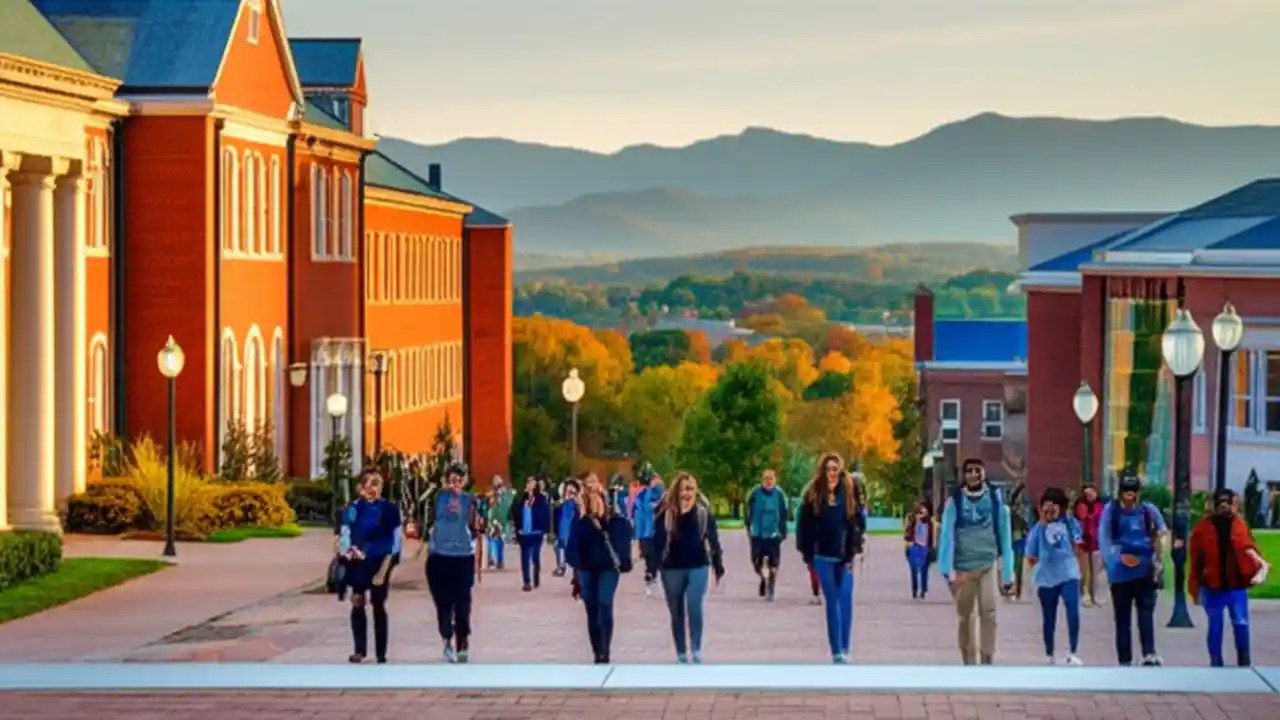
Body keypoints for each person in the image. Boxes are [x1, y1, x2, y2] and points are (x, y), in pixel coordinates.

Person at [937, 458, 1015, 665]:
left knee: (988, 610)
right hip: (963, 569)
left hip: (987, 564)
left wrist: (1007, 573)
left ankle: (987, 656)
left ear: (984, 472)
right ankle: (968, 658)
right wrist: (947, 569)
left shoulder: (996, 502)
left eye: (977, 470)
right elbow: (946, 534)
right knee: (965, 615)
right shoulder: (955, 501)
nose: (973, 474)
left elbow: (1005, 539)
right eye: (968, 471)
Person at [796, 453, 866, 664]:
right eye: (828, 469)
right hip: (822, 555)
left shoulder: (849, 492)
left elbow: (857, 523)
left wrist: (854, 547)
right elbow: (804, 526)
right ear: (822, 471)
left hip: (845, 556)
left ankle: (845, 647)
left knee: (846, 598)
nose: (832, 473)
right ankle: (836, 650)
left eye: (835, 469)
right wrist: (807, 553)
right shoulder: (813, 493)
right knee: (832, 600)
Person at [1189, 488, 1271, 667]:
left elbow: (1247, 546)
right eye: (1221, 503)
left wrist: (1258, 566)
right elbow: (1195, 559)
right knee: (1215, 627)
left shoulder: (1238, 525)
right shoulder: (1203, 529)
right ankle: (1216, 663)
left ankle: (1244, 661)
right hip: (1212, 585)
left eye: (1227, 503)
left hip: (1235, 585)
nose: (1224, 507)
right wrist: (1195, 587)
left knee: (1241, 624)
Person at [648, 472, 724, 664]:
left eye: (690, 489)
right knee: (676, 611)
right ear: (675, 492)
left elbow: (713, 541)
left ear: (696, 491)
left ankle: (696, 648)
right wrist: (651, 570)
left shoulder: (702, 513)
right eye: (682, 490)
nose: (686, 494)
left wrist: (718, 566)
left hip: (698, 565)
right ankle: (681, 651)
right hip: (671, 567)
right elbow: (656, 544)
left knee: (694, 605)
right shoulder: (665, 514)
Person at [1097, 471, 1167, 666]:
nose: (1129, 496)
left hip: (1144, 567)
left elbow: (1162, 530)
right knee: (1122, 617)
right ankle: (1125, 658)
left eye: (1133, 491)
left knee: (1146, 612)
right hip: (1121, 570)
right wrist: (1114, 560)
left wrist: (1159, 556)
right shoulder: (1111, 511)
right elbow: (1104, 538)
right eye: (1126, 491)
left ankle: (1149, 653)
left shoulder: (1148, 510)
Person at [338, 470, 402, 664]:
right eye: (370, 483)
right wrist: (347, 551)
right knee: (357, 601)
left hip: (380, 560)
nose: (374, 488)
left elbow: (396, 541)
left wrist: (385, 568)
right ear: (361, 486)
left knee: (378, 603)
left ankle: (381, 653)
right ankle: (359, 650)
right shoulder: (353, 508)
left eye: (378, 484)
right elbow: (344, 532)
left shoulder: (390, 509)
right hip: (358, 560)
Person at [567, 486, 634, 663]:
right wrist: (585, 520)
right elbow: (572, 546)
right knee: (591, 607)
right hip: (587, 568)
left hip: (608, 567)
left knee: (604, 602)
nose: (595, 503)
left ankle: (605, 649)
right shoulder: (581, 521)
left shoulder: (614, 520)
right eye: (591, 500)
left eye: (599, 498)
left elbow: (624, 536)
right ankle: (597, 649)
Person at [423, 461, 480, 663]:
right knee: (443, 601)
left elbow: (477, 525)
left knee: (463, 600)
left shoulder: (470, 500)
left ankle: (462, 639)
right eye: (452, 479)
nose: (456, 483)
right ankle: (446, 635)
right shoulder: (437, 497)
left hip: (462, 556)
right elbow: (425, 520)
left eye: (460, 479)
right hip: (439, 555)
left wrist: (478, 525)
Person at [1025, 486, 1085, 665]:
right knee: (1049, 617)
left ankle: (1073, 651)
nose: (1050, 511)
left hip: (1069, 573)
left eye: (1054, 507)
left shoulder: (1070, 522)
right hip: (1047, 578)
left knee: (1073, 611)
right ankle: (1050, 653)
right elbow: (1030, 554)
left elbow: (1079, 544)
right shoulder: (1037, 529)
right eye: (1046, 507)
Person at [745, 469, 790, 601]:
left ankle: (770, 589)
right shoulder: (755, 493)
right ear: (762, 480)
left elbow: (784, 513)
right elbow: (747, 512)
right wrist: (748, 527)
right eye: (766, 478)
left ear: (775, 480)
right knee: (756, 561)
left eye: (771, 478)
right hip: (757, 533)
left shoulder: (780, 495)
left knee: (774, 564)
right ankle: (763, 577)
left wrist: (783, 531)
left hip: (774, 533)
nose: (768, 481)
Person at [510, 476, 551, 591]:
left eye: (532, 482)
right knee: (524, 558)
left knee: (535, 557)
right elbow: (514, 512)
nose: (529, 485)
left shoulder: (541, 498)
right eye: (528, 482)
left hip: (536, 532)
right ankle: (526, 581)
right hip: (524, 533)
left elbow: (545, 514)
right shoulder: (520, 498)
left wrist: (544, 529)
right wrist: (517, 527)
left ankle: (536, 577)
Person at [1073, 484, 1106, 607]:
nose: (1090, 495)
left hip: (1096, 542)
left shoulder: (1100, 506)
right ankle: (1083, 595)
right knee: (1084, 571)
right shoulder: (1081, 506)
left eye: (1092, 492)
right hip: (1084, 542)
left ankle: (1094, 596)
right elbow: (1080, 522)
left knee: (1095, 572)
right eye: (1087, 494)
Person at [633, 472, 665, 596]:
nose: (655, 482)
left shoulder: (662, 493)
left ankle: (652, 574)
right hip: (647, 530)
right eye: (653, 480)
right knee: (648, 554)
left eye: (657, 480)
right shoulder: (643, 494)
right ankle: (650, 574)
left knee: (655, 554)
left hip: (656, 530)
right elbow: (639, 512)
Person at [904, 500, 936, 600]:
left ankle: (923, 589)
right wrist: (915, 521)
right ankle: (914, 589)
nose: (921, 514)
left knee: (924, 570)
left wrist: (932, 547)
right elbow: (907, 533)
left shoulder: (930, 523)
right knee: (913, 570)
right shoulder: (912, 520)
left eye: (924, 511)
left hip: (925, 548)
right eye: (920, 511)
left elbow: (932, 536)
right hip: (914, 547)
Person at [1008, 480, 1035, 601]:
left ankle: (1016, 589)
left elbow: (1029, 524)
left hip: (1020, 540)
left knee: (1018, 565)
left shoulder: (1025, 510)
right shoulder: (1011, 511)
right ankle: (1014, 588)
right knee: (1013, 565)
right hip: (1012, 539)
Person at [554, 480, 582, 576]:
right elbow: (555, 511)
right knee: (559, 547)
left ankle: (574, 569)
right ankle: (561, 567)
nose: (569, 492)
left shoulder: (577, 504)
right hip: (562, 528)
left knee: (571, 549)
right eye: (568, 489)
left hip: (572, 529)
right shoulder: (562, 503)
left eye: (572, 490)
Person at [485, 476, 512, 570]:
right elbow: (488, 506)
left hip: (502, 521)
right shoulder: (490, 495)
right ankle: (491, 559)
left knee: (500, 542)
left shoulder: (506, 494)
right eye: (496, 481)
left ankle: (500, 561)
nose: (497, 483)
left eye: (499, 481)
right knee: (492, 540)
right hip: (492, 520)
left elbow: (507, 506)